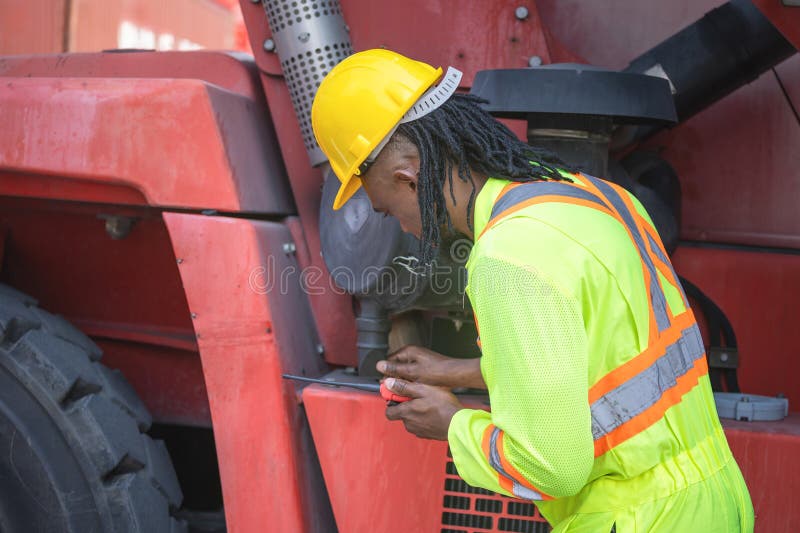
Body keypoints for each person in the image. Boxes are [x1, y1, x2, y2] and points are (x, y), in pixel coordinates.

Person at [311, 49, 754, 532]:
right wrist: (454, 370)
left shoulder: (508, 257)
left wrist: (453, 424)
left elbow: (553, 467)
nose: (405, 229)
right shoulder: (598, 195)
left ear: (407, 177)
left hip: (638, 518)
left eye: (388, 212)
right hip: (715, 499)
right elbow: (602, 363)